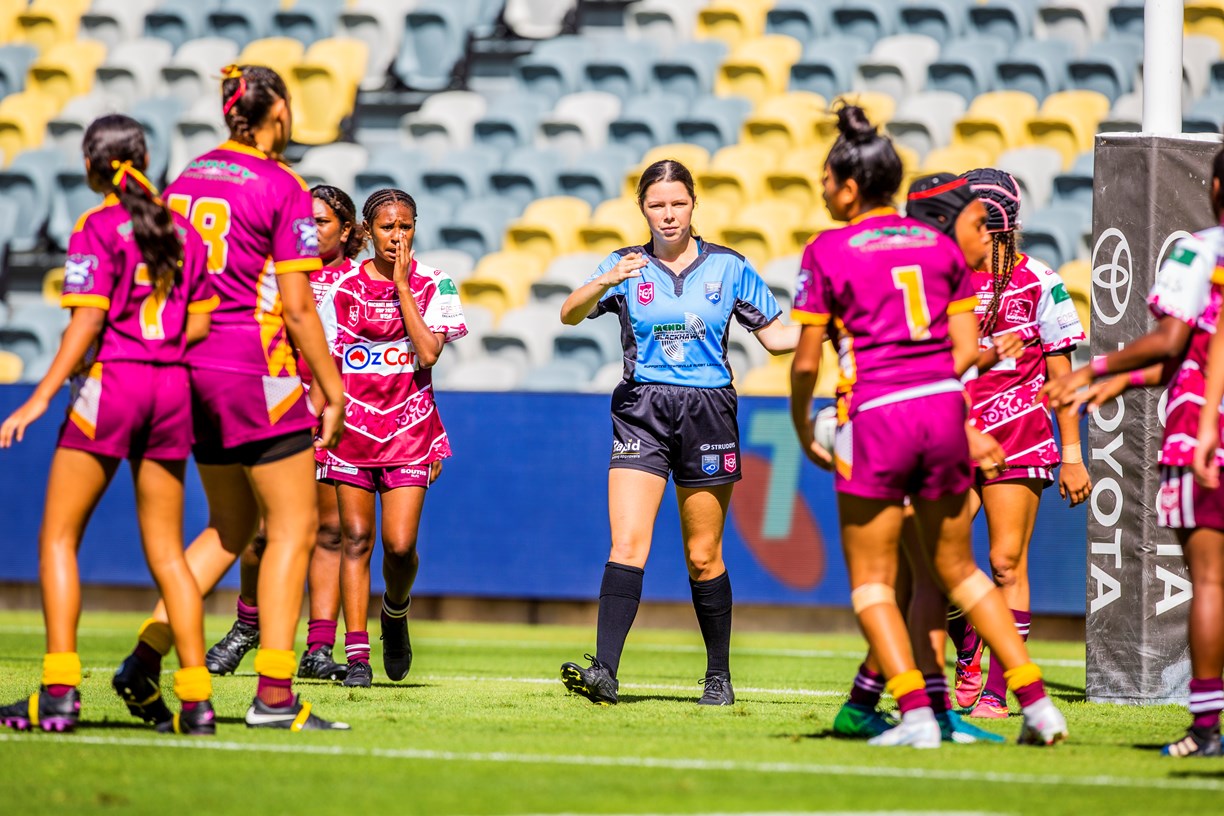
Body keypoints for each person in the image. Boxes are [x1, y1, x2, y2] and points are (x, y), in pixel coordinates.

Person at [789, 105, 1068, 747]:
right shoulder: (942, 250)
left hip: (877, 415)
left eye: (828, 182)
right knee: (962, 572)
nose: (824, 191)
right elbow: (965, 348)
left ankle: (916, 715)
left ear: (852, 187)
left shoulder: (828, 249)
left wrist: (808, 425)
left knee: (873, 584)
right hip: (944, 411)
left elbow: (806, 363)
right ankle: (1036, 704)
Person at [111, 65, 350, 731]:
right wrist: (330, 389)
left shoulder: (188, 176)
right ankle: (274, 694)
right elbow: (298, 307)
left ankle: (144, 656)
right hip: (251, 366)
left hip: (186, 363)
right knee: (296, 527)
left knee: (229, 526)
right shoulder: (282, 185)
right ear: (276, 112)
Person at [0, 114, 217, 734]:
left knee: (59, 539)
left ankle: (60, 693)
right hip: (170, 387)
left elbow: (85, 325)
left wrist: (39, 397)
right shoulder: (182, 230)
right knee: (169, 557)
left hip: (113, 385)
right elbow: (199, 324)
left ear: (93, 167)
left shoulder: (97, 226)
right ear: (145, 160)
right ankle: (197, 703)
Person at [557, 159, 799, 706]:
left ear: (694, 205)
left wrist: (836, 322)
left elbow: (778, 338)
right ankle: (605, 672)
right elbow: (570, 315)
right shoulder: (624, 265)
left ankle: (718, 675)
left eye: (678, 203)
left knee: (703, 555)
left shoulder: (730, 267)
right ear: (642, 209)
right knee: (627, 542)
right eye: (656, 205)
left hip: (709, 411)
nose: (668, 214)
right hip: (642, 408)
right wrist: (605, 279)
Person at [1047, 145, 1224, 757]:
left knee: (1209, 583)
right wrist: (1116, 383)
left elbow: (1174, 342)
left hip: (1203, 432)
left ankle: (1204, 727)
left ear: (1217, 187)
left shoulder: (1199, 250)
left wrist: (1096, 367)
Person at [831, 172, 1003, 744]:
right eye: (979, 220)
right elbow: (922, 372)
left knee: (919, 577)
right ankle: (926, 707)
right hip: (912, 433)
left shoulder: (870, 260)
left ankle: (888, 705)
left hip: (910, 432)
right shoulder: (932, 271)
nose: (988, 232)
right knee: (920, 576)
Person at [202, 184, 365, 682]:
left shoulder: (356, 279)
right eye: (306, 221)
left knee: (326, 530)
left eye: (322, 222)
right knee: (261, 533)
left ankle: (318, 647)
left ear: (345, 229)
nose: (311, 231)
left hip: (333, 408)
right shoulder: (274, 268)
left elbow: (345, 351)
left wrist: (323, 404)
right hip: (271, 402)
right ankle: (247, 625)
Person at [950, 169, 1091, 718]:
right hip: (952, 436)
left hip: (1019, 439)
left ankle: (997, 689)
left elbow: (1063, 380)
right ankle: (966, 652)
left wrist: (1073, 456)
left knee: (1006, 562)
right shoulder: (943, 280)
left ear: (999, 224)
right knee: (939, 555)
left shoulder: (1040, 282)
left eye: (975, 217)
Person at [316, 187, 465, 688]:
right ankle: (356, 656)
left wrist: (402, 287)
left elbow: (427, 354)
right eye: (386, 227)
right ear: (368, 230)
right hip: (352, 430)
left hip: (409, 430)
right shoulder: (341, 287)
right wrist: (321, 421)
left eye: (405, 227)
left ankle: (395, 614)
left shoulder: (436, 284)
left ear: (415, 228)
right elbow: (325, 363)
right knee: (356, 539)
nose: (396, 237)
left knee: (399, 547)